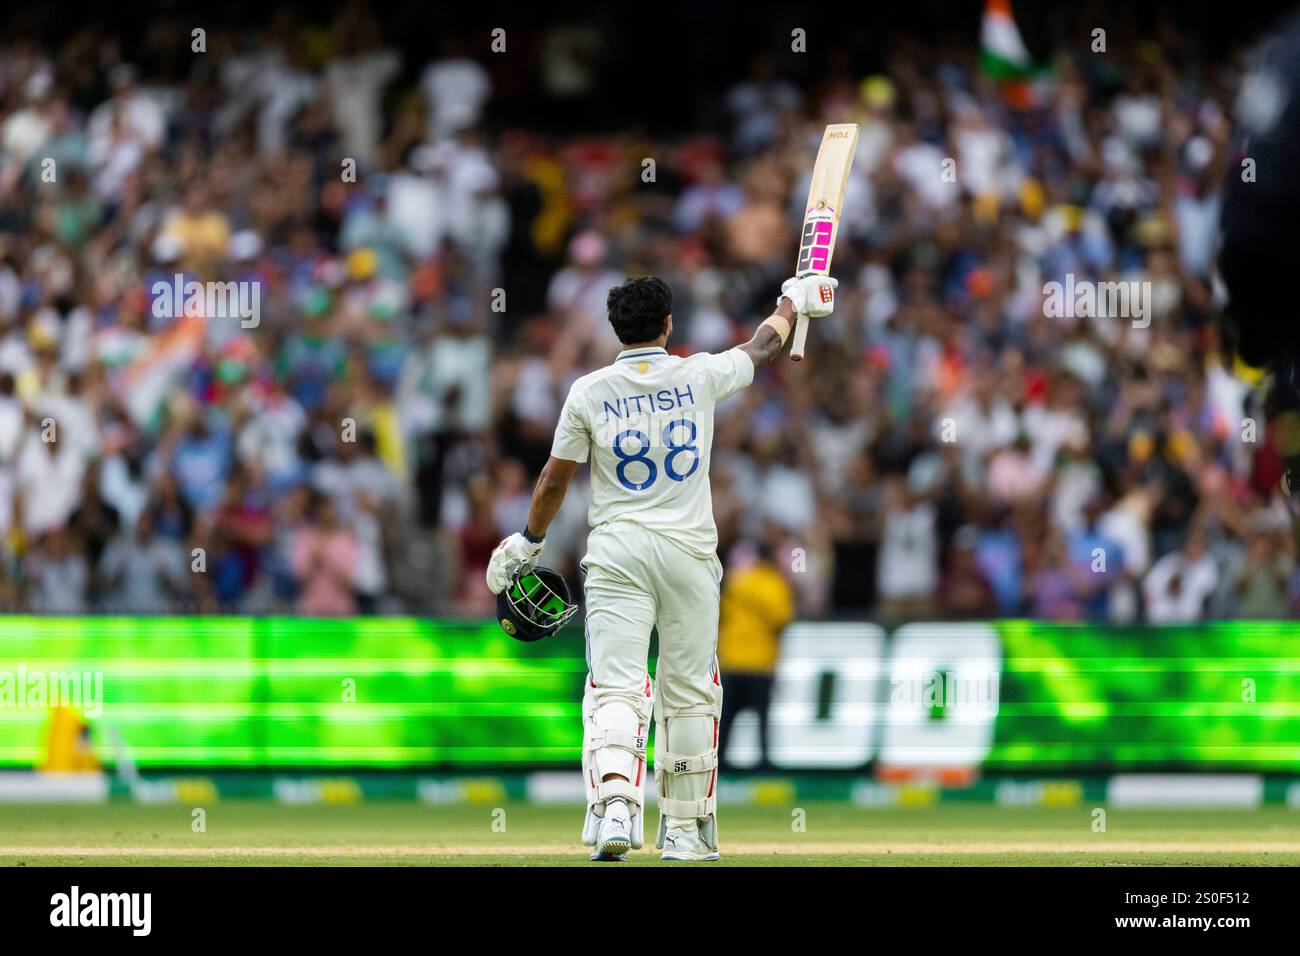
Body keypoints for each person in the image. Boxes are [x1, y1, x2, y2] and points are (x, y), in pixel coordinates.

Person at [485, 272, 837, 862]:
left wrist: (530, 541)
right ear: (669, 325)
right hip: (690, 555)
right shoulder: (696, 374)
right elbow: (763, 346)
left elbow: (553, 479)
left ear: (615, 329)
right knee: (690, 692)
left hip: (618, 552)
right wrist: (793, 302)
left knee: (617, 684)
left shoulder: (589, 391)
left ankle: (618, 804)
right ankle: (682, 829)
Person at [716, 539, 794, 769]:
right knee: (762, 720)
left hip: (733, 660)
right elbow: (781, 619)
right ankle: (764, 763)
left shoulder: (736, 580)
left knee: (727, 717)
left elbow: (720, 613)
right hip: (760, 663)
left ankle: (720, 762)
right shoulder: (776, 584)